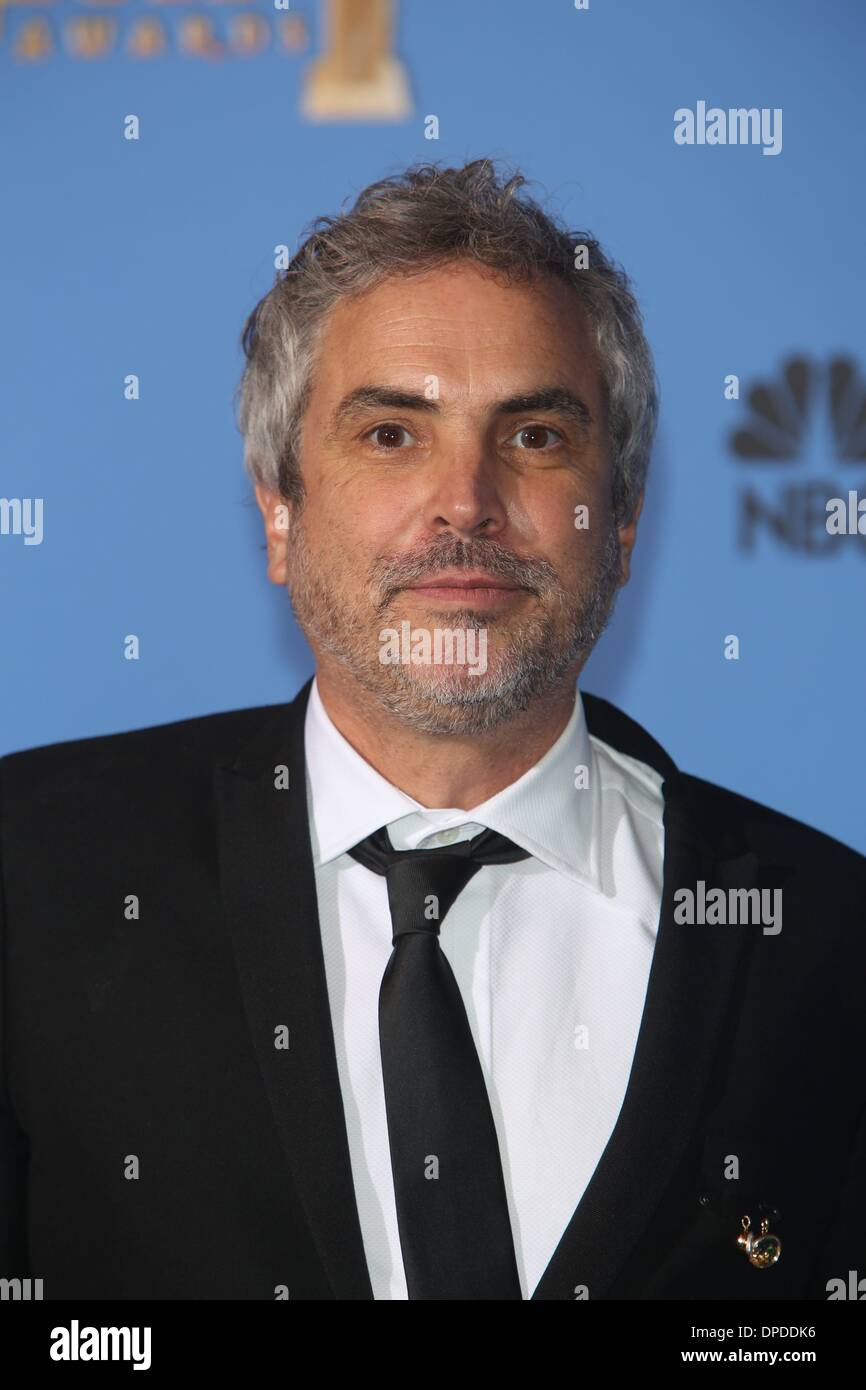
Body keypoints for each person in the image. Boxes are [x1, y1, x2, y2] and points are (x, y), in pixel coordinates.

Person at [1, 160, 864, 1301]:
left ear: (619, 525)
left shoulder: (828, 944)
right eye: (392, 435)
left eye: (537, 435)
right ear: (278, 510)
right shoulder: (31, 878)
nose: (465, 500)